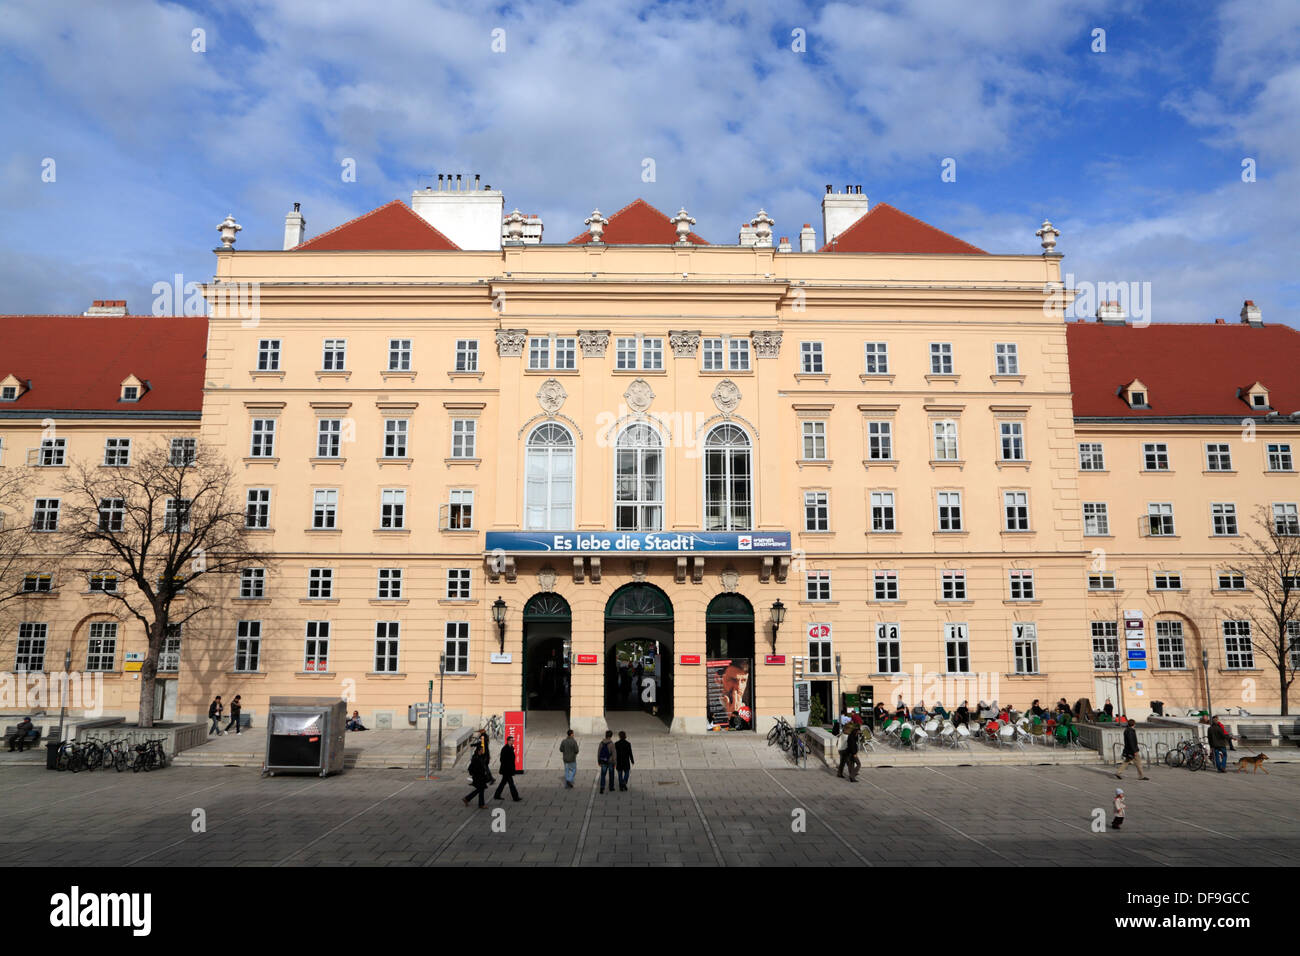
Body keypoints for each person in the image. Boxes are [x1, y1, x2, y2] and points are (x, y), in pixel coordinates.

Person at [493, 737, 521, 801]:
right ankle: (515, 797)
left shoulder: (511, 748)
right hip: (506, 770)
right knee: (511, 784)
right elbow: (502, 760)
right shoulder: (505, 749)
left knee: (503, 783)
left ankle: (497, 795)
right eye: (511, 740)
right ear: (508, 741)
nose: (512, 741)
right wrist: (508, 766)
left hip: (508, 769)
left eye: (513, 740)